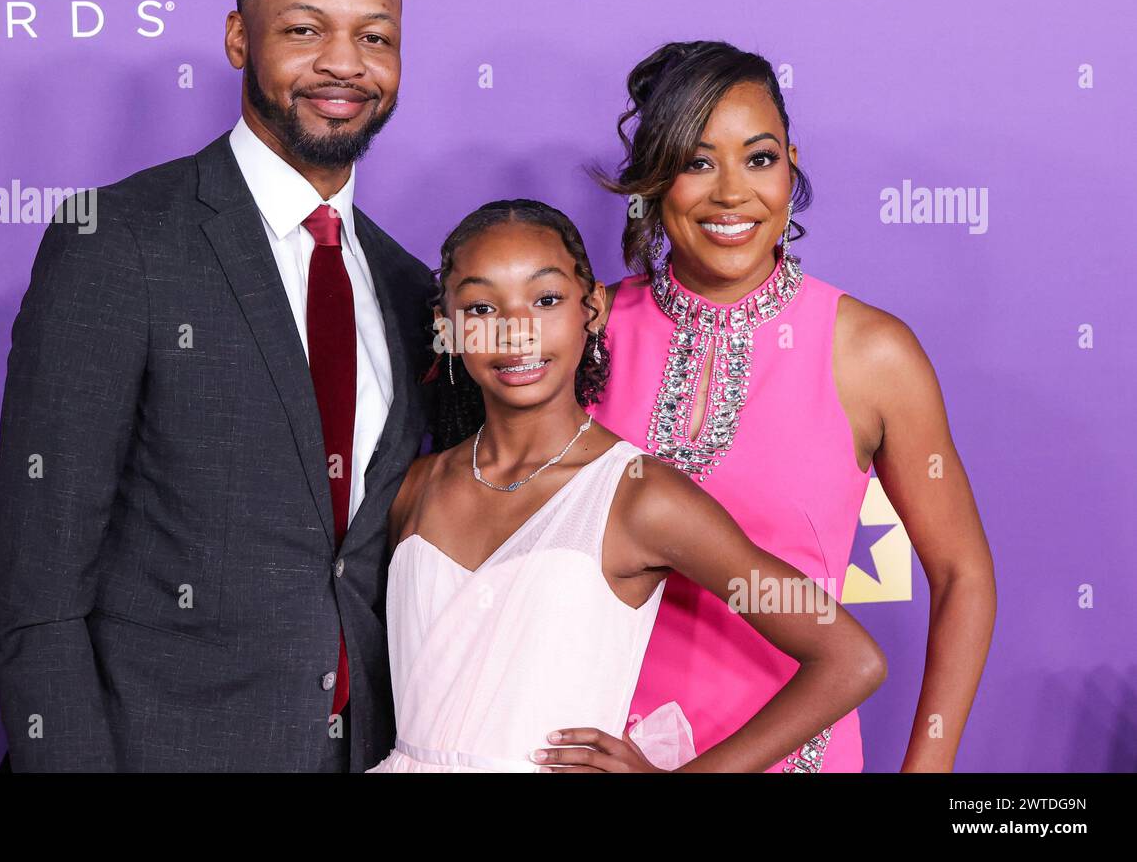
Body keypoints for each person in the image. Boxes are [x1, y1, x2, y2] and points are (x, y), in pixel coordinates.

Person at [0, 0, 433, 771]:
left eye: (375, 37)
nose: (345, 63)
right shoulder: (118, 241)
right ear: (238, 39)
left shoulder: (413, 288)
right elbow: (37, 594)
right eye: (305, 29)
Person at [584, 40, 996, 772]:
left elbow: (962, 573)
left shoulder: (869, 353)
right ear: (654, 178)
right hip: (599, 751)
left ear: (792, 165)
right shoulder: (586, 331)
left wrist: (928, 771)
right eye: (697, 161)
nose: (732, 193)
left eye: (760, 157)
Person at [367, 199, 886, 772]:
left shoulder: (641, 497)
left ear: (590, 310)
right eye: (483, 306)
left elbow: (849, 659)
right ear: (447, 325)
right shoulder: (413, 487)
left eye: (545, 300)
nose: (516, 331)